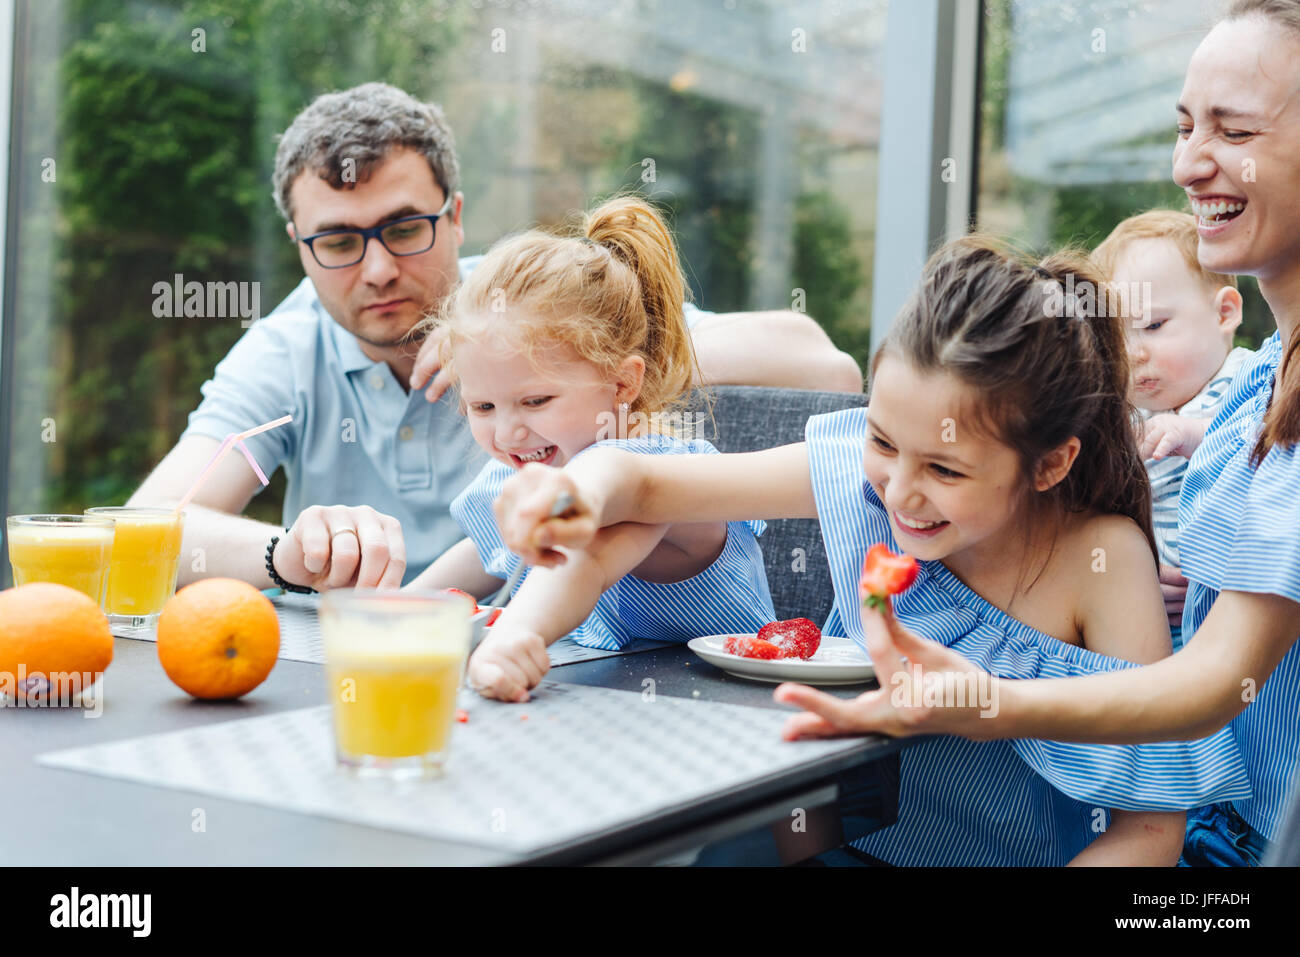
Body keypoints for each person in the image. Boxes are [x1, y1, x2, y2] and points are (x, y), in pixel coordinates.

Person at [698, 0, 1300, 868]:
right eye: (1183, 126)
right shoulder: (1262, 379)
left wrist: (991, 703)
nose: (1187, 162)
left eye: (1232, 127)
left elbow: (1209, 688)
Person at [493, 235, 1253, 865]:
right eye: (885, 442)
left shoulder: (1104, 559)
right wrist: (572, 496)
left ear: (1050, 463)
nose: (900, 493)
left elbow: (1149, 832)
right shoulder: (865, 480)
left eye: (947, 468)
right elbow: (645, 483)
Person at [127, 82, 862, 592]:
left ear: (455, 216)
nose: (379, 270)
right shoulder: (288, 348)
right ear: (298, 243)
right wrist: (286, 555)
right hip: (361, 660)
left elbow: (829, 368)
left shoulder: (528, 306)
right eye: (339, 242)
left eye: (405, 228)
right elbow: (144, 531)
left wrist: (549, 360)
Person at [405, 196, 775, 701]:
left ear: (622, 384)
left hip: (731, 709)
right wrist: (389, 616)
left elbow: (588, 556)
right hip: (607, 701)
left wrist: (518, 635)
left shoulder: (664, 479)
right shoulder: (520, 480)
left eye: (535, 400)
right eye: (483, 407)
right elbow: (479, 553)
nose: (509, 433)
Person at [1093, 210, 1255, 649]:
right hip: (1160, 626)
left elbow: (1265, 441)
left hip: (1243, 616)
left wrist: (1197, 433)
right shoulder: (1126, 418)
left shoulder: (1247, 379)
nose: (1134, 354)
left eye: (1153, 326)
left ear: (1224, 313)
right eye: (1115, 339)